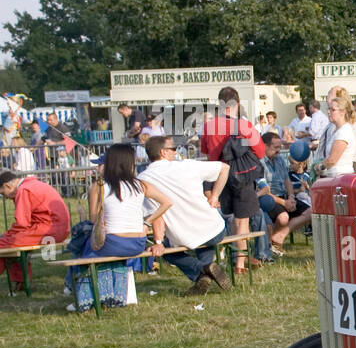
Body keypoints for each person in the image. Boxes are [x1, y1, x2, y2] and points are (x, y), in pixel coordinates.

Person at [71, 143, 174, 311]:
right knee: (100, 250)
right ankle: (115, 294)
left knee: (83, 249)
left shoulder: (100, 186)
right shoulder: (140, 184)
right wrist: (146, 222)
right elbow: (167, 202)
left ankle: (86, 299)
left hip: (112, 242)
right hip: (137, 243)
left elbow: (94, 220)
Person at [138, 136, 232, 295]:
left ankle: (200, 273)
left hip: (184, 237)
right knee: (205, 239)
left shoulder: (144, 179)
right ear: (164, 152)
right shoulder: (187, 165)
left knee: (167, 249)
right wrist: (215, 196)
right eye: (174, 149)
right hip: (214, 228)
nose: (176, 152)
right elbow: (225, 168)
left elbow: (157, 217)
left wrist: (158, 242)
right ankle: (205, 270)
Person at [201, 86, 265, 273]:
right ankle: (239, 263)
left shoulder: (209, 126)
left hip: (218, 174)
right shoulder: (244, 126)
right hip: (242, 176)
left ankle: (229, 257)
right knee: (241, 221)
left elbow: (206, 153)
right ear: (237, 103)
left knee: (224, 219)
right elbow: (260, 151)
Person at [0, 169, 71, 286]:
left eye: (3, 193)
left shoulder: (23, 190)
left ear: (7, 185)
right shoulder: (33, 184)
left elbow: (22, 224)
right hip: (59, 228)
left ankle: (22, 281)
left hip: (49, 229)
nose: (5, 197)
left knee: (6, 243)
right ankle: (21, 282)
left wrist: (7, 235)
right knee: (13, 243)